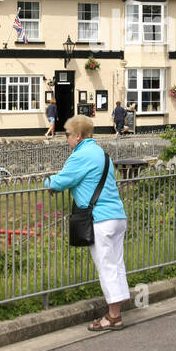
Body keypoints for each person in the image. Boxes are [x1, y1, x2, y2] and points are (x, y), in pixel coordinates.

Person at [45, 114, 130, 330]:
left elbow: (63, 180)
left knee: (106, 266)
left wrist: (48, 182)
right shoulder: (102, 154)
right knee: (117, 264)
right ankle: (117, 311)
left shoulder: (81, 155)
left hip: (101, 219)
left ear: (79, 136)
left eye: (68, 135)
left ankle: (113, 317)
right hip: (117, 216)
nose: (66, 139)